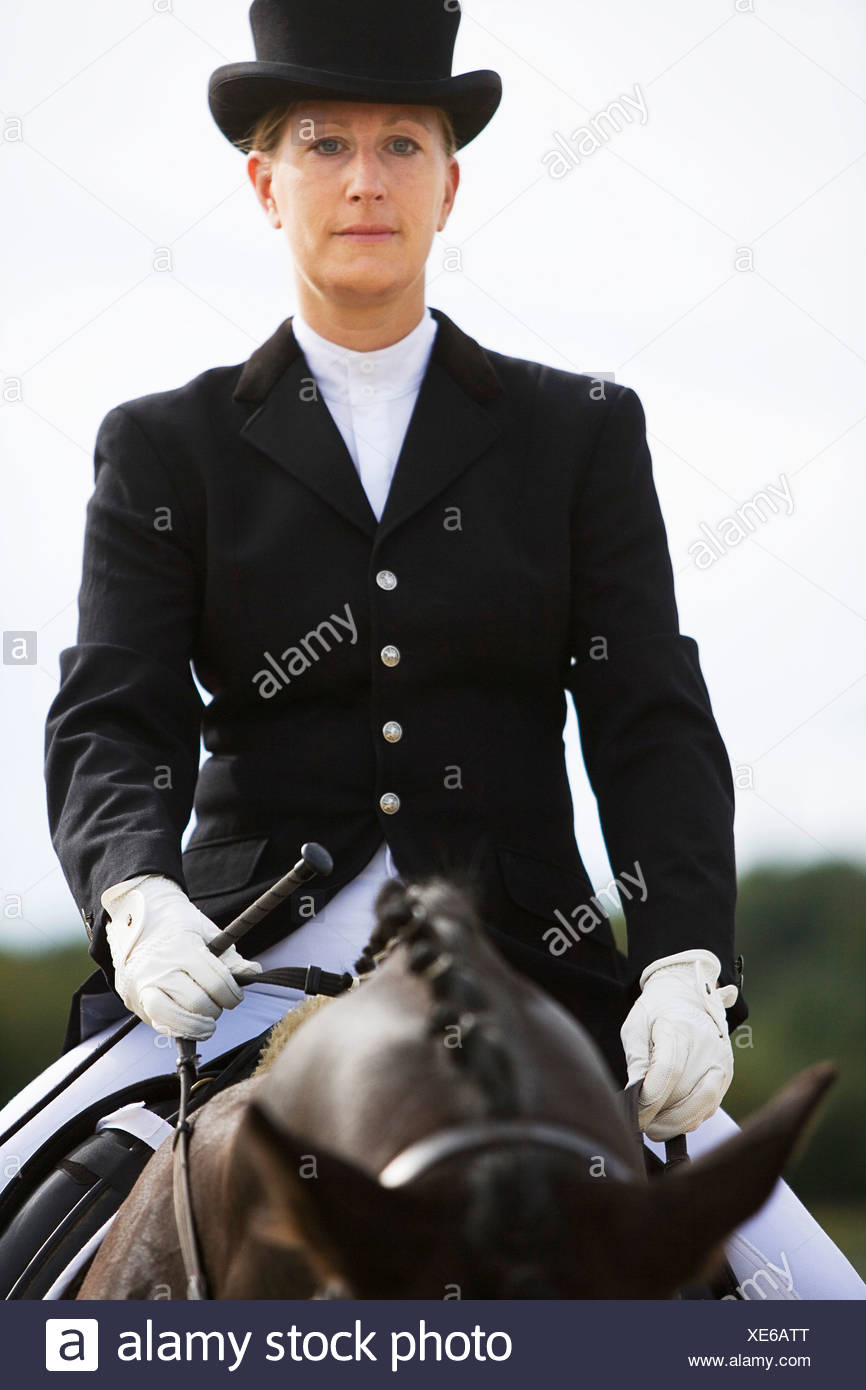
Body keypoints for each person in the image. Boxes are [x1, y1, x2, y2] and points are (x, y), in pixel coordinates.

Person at [1, 0, 862, 1300]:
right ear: (262, 179)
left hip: (529, 963)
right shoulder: (164, 443)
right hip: (237, 959)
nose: (363, 179)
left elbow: (646, 717)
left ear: (448, 184)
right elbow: (114, 711)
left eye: (400, 145)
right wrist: (136, 896)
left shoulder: (575, 432)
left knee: (819, 1311)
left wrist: (687, 962)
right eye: (323, 143)